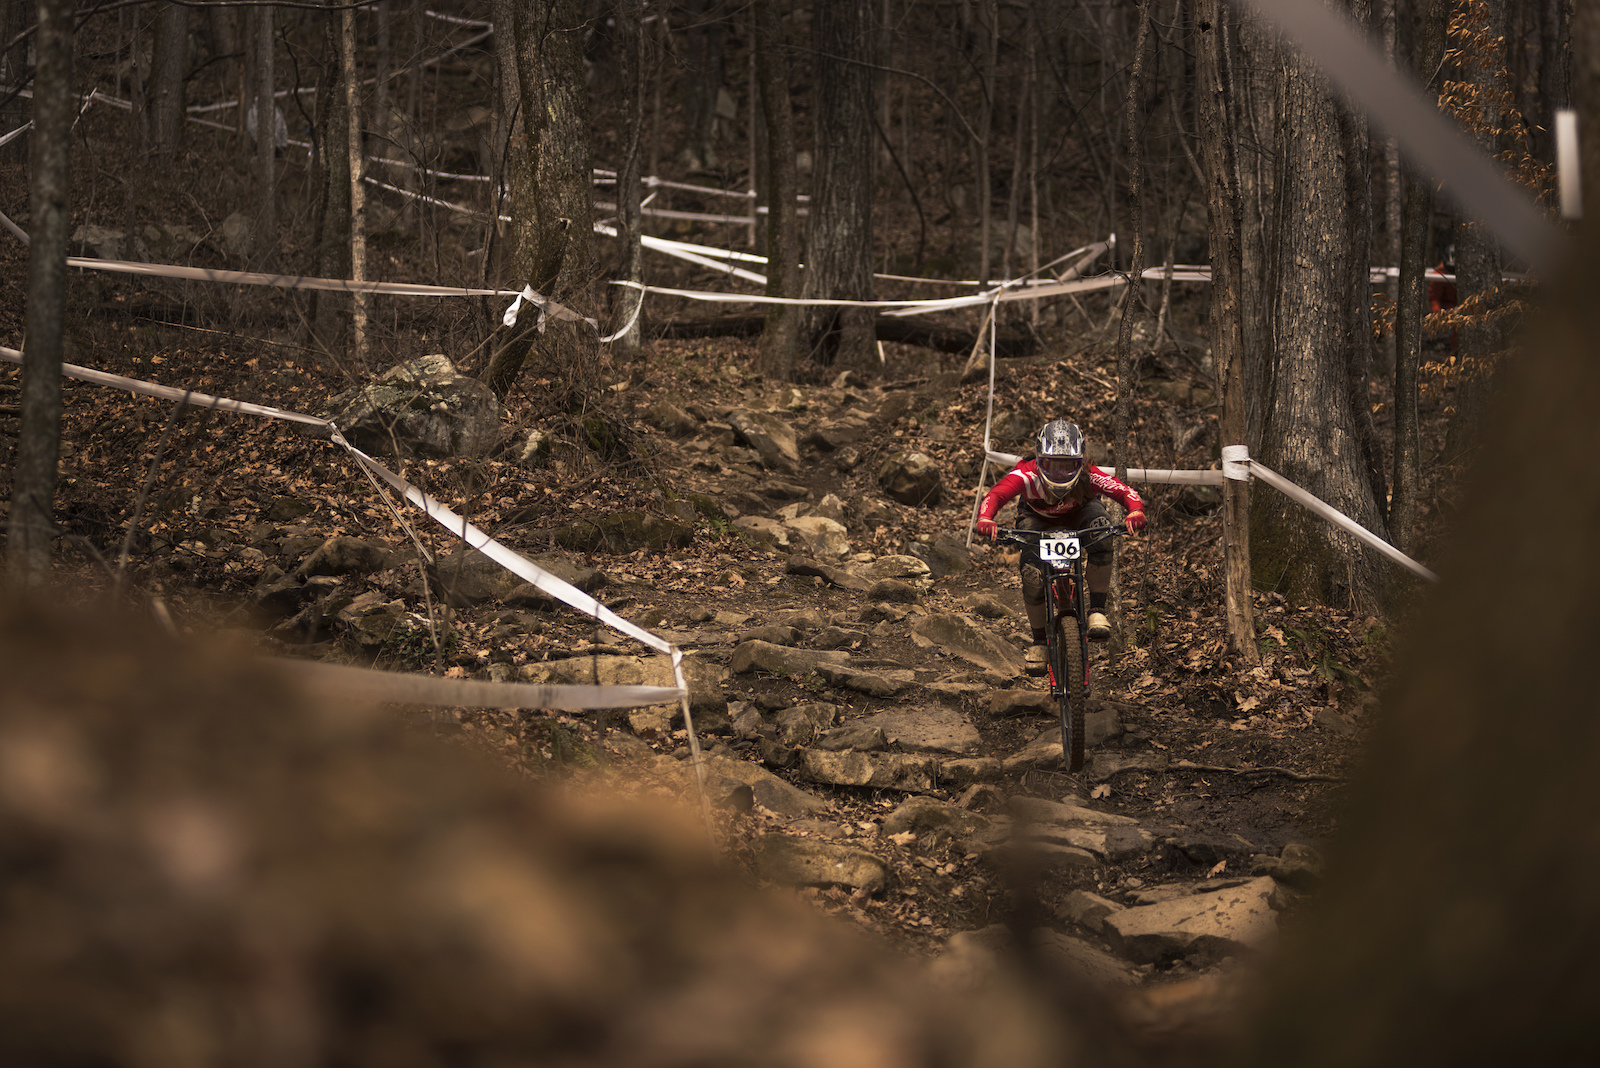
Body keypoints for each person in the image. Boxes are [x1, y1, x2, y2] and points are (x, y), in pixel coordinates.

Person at [974, 419, 1145, 673]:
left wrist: (1135, 511)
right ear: (1040, 460)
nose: (1060, 473)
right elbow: (996, 494)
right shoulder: (1025, 474)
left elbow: (1123, 491)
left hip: (1081, 512)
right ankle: (1039, 640)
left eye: (1069, 466)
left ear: (1081, 462)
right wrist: (986, 518)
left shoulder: (1089, 474)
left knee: (1102, 528)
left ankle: (1097, 610)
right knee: (1032, 576)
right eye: (1053, 465)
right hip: (1036, 518)